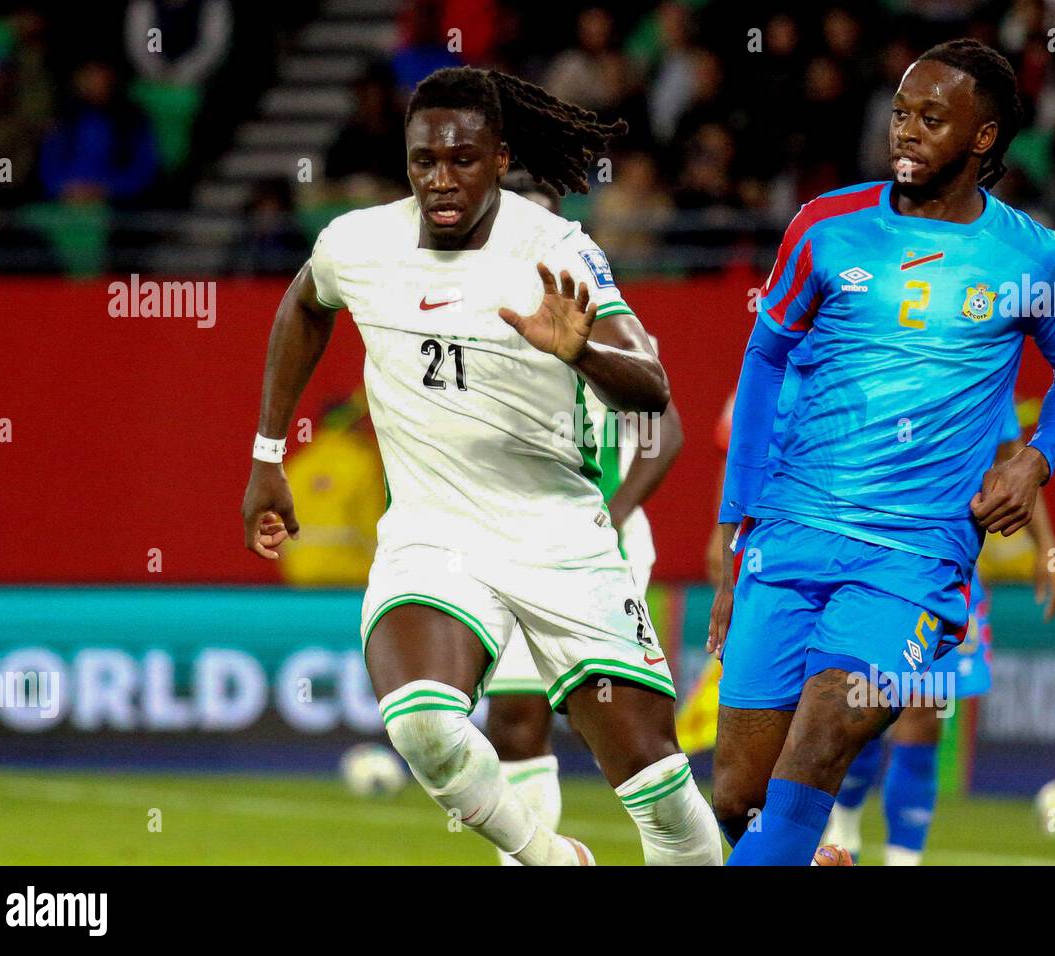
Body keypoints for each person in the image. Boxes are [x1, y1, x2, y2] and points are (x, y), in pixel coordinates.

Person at [241, 66, 721, 866]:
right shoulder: (358, 243)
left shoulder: (556, 249)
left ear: (499, 158)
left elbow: (652, 389)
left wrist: (582, 348)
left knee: (659, 789)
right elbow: (304, 304)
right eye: (424, 160)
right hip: (433, 536)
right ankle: (548, 858)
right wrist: (267, 453)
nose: (441, 180)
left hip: (557, 533)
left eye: (462, 160)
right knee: (422, 724)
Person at [708, 39, 1055, 865]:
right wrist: (735, 523)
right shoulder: (824, 227)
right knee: (740, 795)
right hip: (789, 535)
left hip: (914, 559)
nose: (907, 133)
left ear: (984, 137)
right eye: (900, 114)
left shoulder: (1039, 258)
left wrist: (1036, 459)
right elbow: (763, 359)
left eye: (933, 118)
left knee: (820, 743)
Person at [482, 171, 685, 865]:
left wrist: (617, 510)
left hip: (598, 542)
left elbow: (669, 426)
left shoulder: (601, 316)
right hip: (506, 541)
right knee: (513, 719)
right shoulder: (481, 316)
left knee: (629, 740)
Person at [819, 400, 1055, 865]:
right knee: (863, 706)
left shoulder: (988, 366)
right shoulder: (875, 354)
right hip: (876, 558)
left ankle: (902, 861)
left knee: (925, 713)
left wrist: (1048, 547)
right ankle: (845, 826)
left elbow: (1016, 462)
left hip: (950, 567)